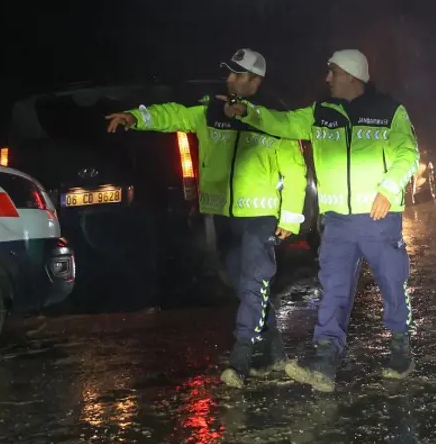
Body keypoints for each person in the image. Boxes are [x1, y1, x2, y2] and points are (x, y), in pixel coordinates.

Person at [105, 49, 308, 387]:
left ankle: (240, 359)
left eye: (237, 75)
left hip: (260, 216)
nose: (229, 79)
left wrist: (290, 217)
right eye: (229, 73)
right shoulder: (211, 110)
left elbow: (296, 171)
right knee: (246, 287)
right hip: (223, 215)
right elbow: (174, 114)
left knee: (254, 283)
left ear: (255, 81)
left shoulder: (275, 118)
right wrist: (134, 117)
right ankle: (275, 352)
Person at [224, 49, 419, 393]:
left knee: (392, 282)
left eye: (333, 72)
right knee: (333, 290)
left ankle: (401, 348)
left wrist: (388, 190)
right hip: (338, 222)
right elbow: (283, 123)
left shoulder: (390, 111)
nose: (327, 78)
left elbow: (408, 153)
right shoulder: (320, 112)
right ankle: (325, 362)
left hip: (379, 217)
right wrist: (249, 112)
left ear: (352, 76)